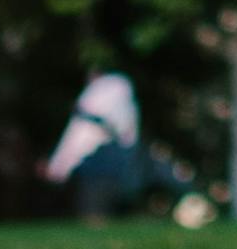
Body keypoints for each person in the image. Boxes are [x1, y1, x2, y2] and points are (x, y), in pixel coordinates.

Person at [40, 69, 154, 222]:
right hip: (124, 161)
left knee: (93, 212)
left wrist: (57, 168)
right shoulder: (125, 94)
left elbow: (77, 138)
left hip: (97, 164)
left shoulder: (92, 99)